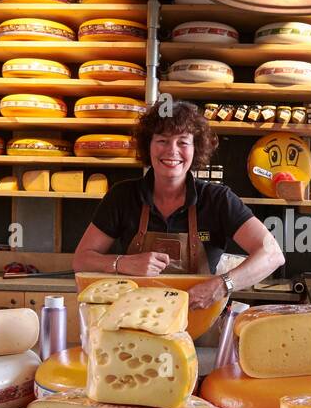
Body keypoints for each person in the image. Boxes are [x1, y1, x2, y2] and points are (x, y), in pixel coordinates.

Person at [73, 101, 285, 308]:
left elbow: (272, 254)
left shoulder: (217, 199)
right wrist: (121, 263)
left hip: (199, 321)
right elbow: (81, 260)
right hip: (134, 323)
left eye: (183, 142)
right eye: (162, 140)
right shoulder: (123, 196)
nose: (172, 151)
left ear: (196, 149)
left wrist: (222, 285)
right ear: (148, 145)